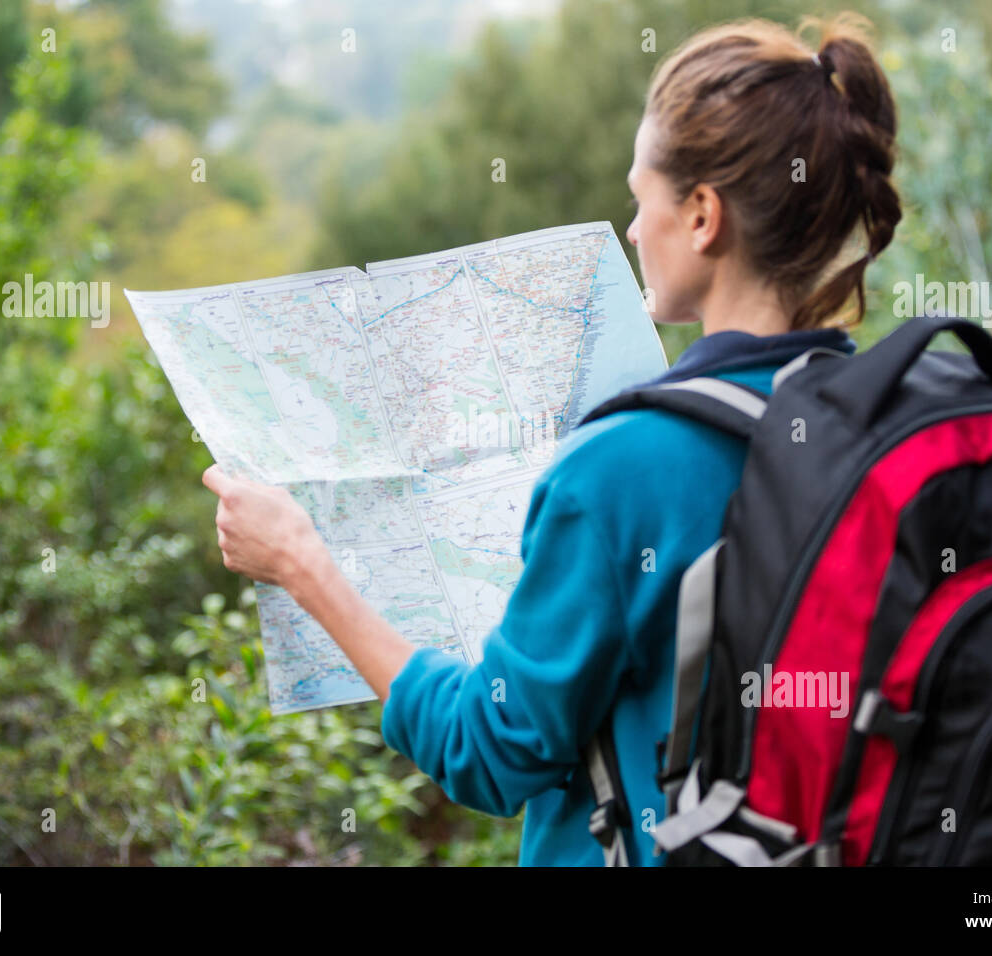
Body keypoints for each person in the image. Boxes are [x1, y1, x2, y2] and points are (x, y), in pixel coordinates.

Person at [201, 12, 902, 866]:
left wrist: (304, 567)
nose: (635, 229)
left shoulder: (623, 470)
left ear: (704, 216)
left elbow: (491, 753)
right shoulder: (893, 428)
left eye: (643, 199)